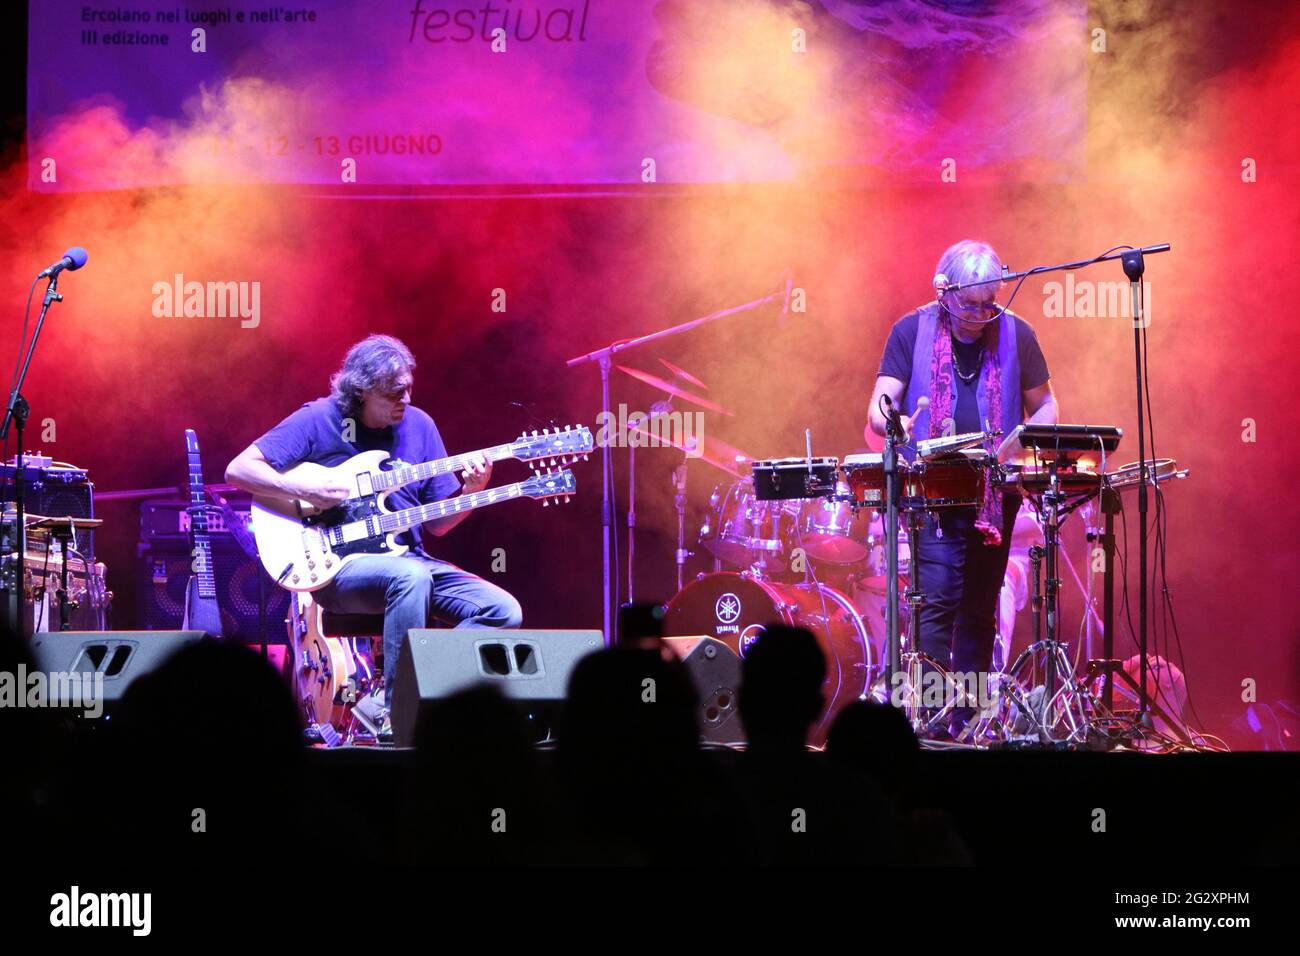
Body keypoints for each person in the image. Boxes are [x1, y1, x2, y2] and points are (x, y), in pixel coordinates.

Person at [226, 334, 522, 736]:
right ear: (361, 392)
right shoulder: (319, 419)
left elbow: (438, 523)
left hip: (410, 561)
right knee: (409, 579)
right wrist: (305, 490)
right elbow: (239, 470)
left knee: (502, 611)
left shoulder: (419, 425)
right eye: (393, 393)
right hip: (337, 569)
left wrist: (472, 492)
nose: (405, 400)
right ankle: (395, 713)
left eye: (408, 390)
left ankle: (406, 691)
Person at [865, 240, 1057, 737]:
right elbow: (878, 407)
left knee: (979, 607)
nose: (978, 315)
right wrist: (895, 423)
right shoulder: (911, 330)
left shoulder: (1019, 333)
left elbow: (1048, 406)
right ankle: (928, 720)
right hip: (935, 491)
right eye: (969, 304)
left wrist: (1024, 440)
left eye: (988, 303)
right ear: (943, 289)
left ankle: (967, 720)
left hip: (995, 495)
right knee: (937, 605)